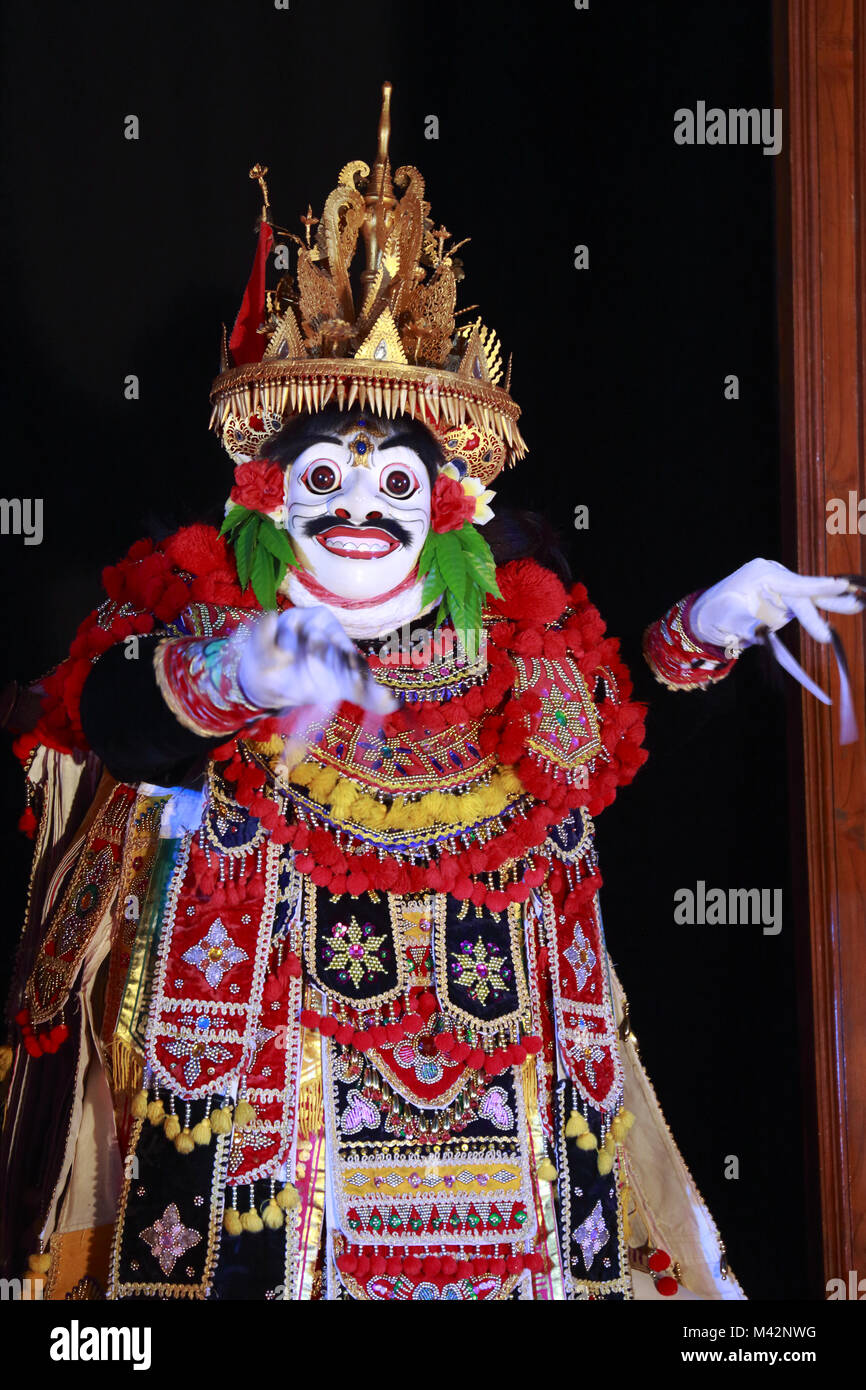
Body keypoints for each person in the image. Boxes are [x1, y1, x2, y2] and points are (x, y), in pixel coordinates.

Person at [1, 84, 861, 1302]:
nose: (359, 510)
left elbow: (612, 743)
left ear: (447, 506)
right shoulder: (197, 623)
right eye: (326, 479)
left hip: (510, 1169)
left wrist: (697, 629)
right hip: (268, 1182)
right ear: (265, 492)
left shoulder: (514, 647)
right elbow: (97, 725)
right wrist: (230, 676)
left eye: (395, 482)